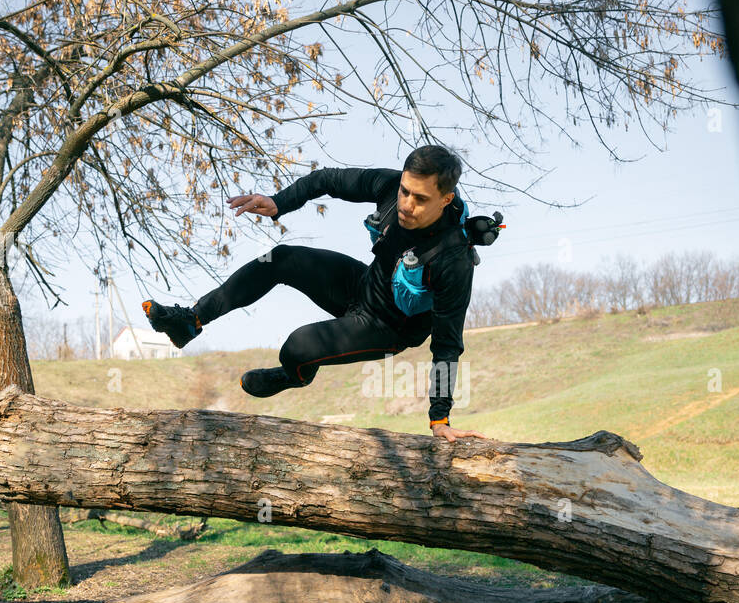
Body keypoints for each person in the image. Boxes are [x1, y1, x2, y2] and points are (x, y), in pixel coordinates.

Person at [142, 144, 487, 443]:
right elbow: (328, 179)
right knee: (279, 258)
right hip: (362, 286)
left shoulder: (453, 259)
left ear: (446, 199)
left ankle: (294, 375)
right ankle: (192, 319)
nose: (407, 205)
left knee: (296, 348)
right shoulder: (390, 186)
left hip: (386, 328)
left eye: (420, 199)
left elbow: (447, 343)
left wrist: (439, 418)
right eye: (405, 192)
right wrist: (279, 202)